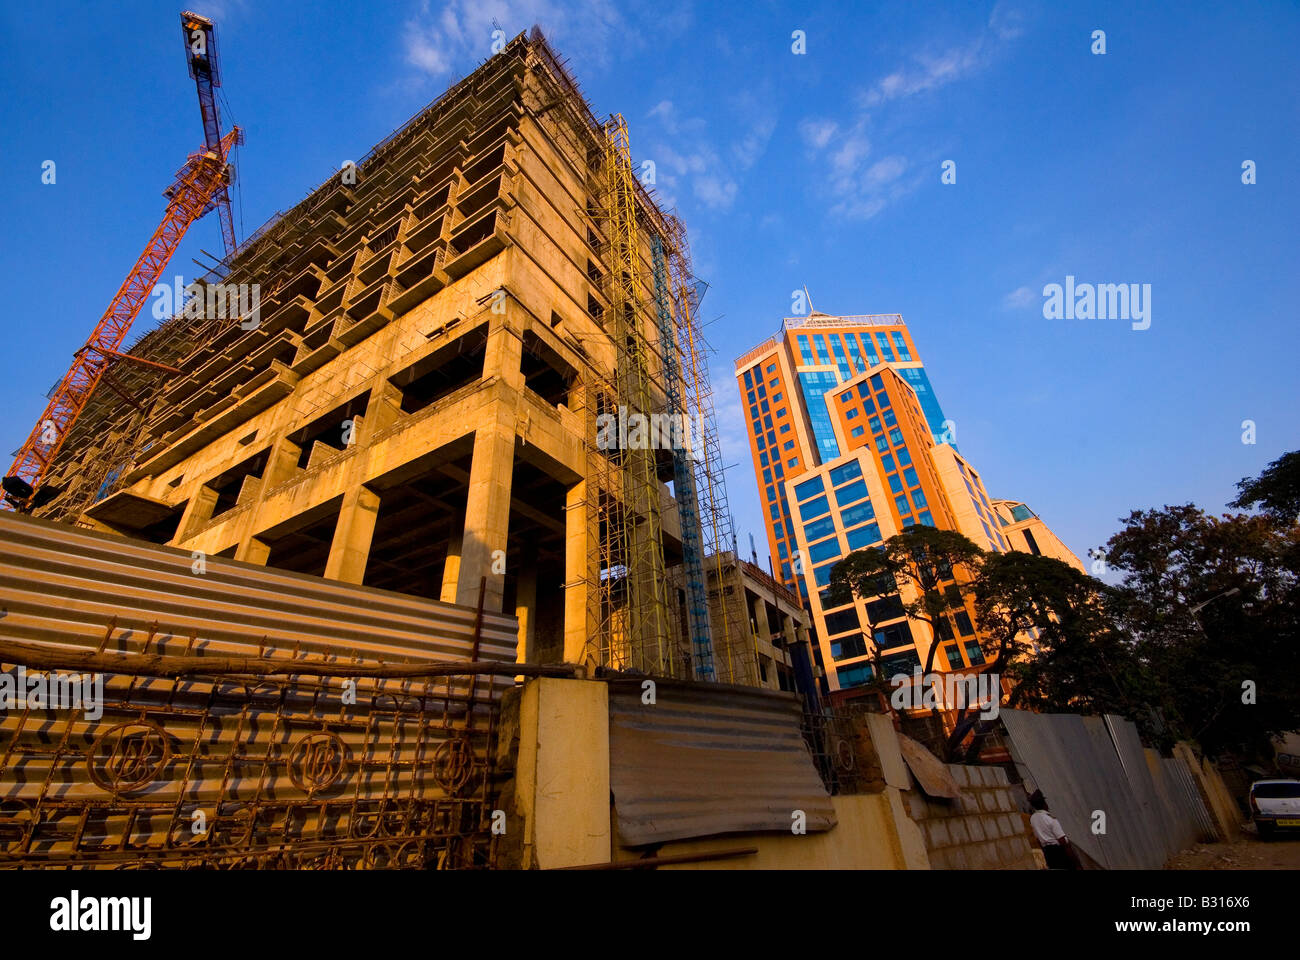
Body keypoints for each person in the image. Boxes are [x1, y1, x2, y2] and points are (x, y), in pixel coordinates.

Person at [1029, 789, 1079, 869]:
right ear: (1044, 804)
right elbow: (1062, 841)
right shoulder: (1051, 819)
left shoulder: (1032, 818)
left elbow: (1038, 839)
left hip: (1048, 854)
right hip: (1059, 853)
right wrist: (1075, 862)